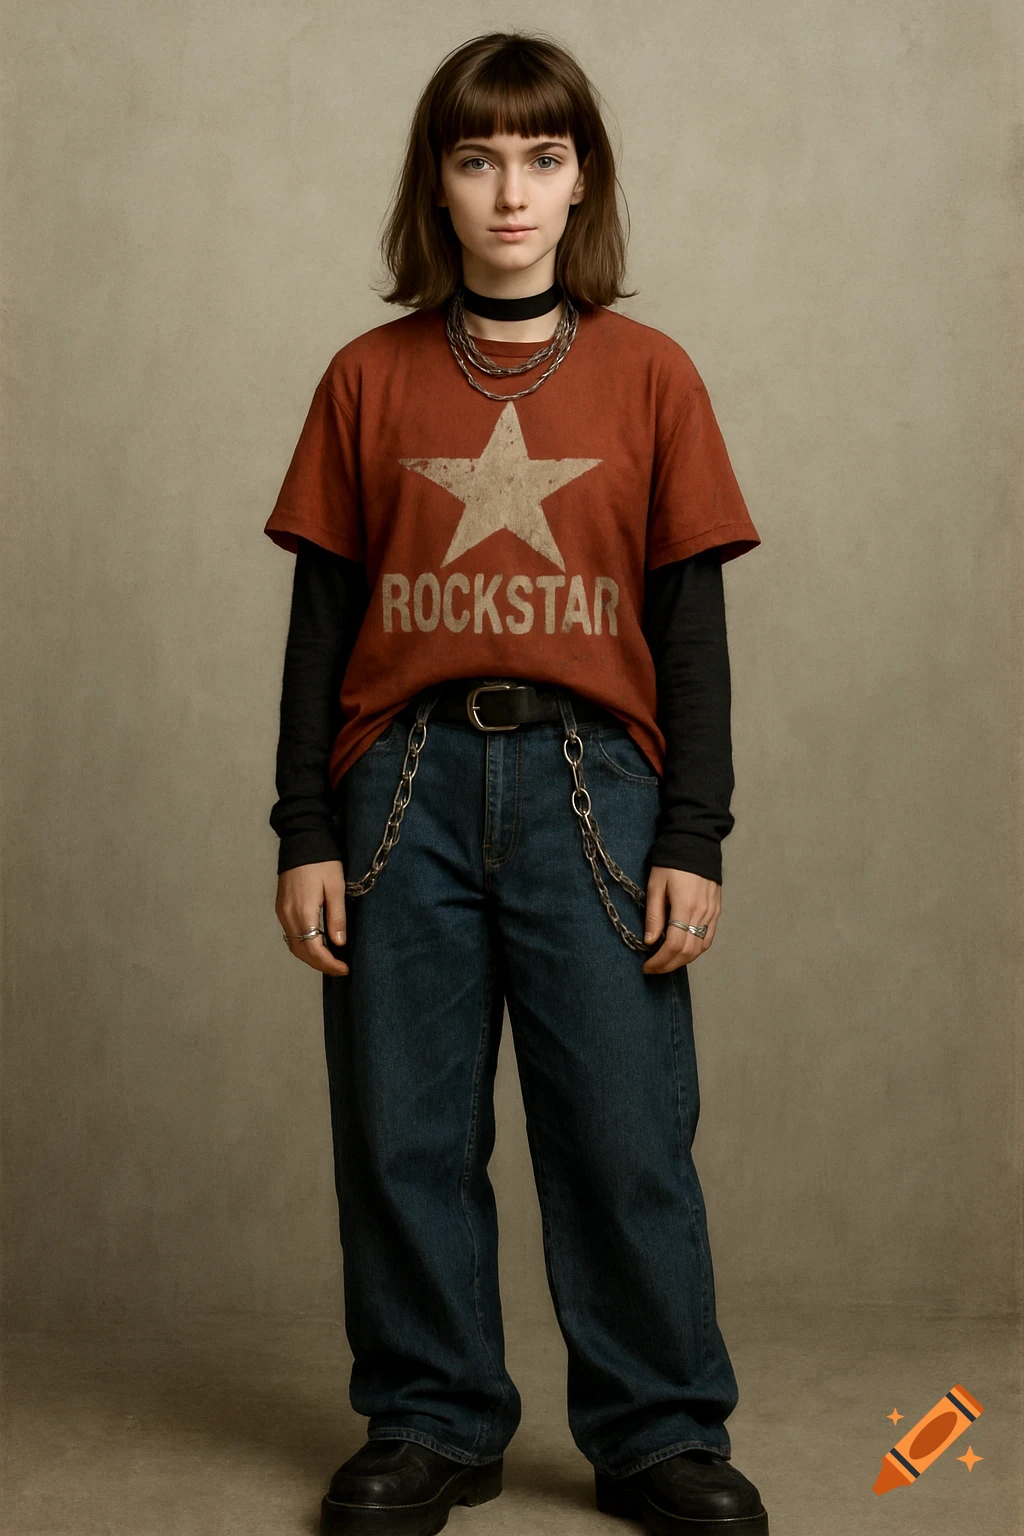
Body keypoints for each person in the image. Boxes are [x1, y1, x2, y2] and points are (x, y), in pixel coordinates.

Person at [265, 30, 769, 1536]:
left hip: (591, 787)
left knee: (619, 1128)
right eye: (477, 157)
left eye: (542, 158)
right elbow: (320, 630)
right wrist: (304, 830)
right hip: (400, 789)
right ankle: (431, 1418)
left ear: (582, 180)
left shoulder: (650, 376)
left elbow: (691, 631)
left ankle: (661, 1431)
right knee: (403, 1127)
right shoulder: (367, 379)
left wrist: (695, 836)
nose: (510, 191)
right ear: (438, 180)